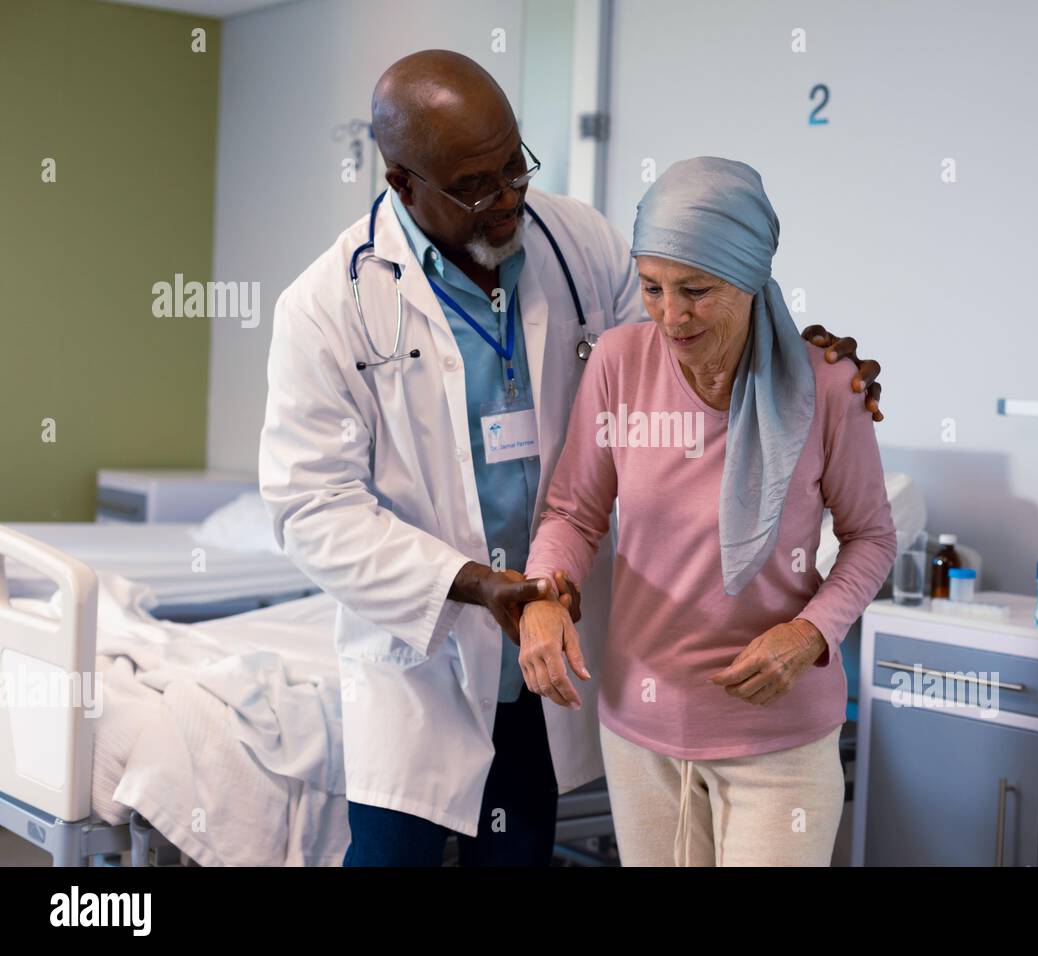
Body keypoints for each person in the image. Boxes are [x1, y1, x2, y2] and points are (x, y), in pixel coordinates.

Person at [260, 50, 885, 867]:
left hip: (558, 644)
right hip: (437, 643)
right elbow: (313, 507)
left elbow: (693, 340)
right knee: (389, 854)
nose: (510, 198)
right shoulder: (326, 305)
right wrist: (491, 586)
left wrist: (801, 357)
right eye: (477, 187)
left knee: (516, 850)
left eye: (514, 166)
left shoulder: (574, 239)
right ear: (403, 183)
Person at [520, 157, 897, 866]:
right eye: (653, 288)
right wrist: (542, 597)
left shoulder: (829, 385)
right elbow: (573, 512)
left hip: (778, 736)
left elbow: (871, 538)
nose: (670, 315)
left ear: (751, 277)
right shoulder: (618, 363)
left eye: (697, 290)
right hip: (641, 728)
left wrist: (811, 633)